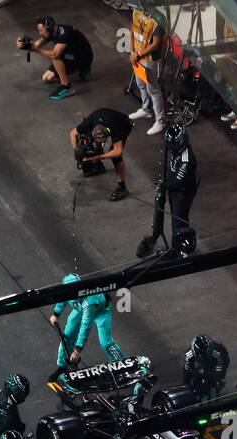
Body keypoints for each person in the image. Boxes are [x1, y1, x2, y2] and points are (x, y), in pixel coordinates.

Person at [51, 272, 124, 373]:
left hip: (100, 312)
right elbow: (62, 299)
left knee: (105, 342)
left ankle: (122, 363)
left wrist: (77, 350)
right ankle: (63, 366)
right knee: (68, 335)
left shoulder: (89, 301)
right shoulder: (67, 292)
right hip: (80, 309)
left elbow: (85, 327)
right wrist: (56, 314)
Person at [16, 17, 94, 100]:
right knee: (47, 77)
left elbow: (54, 55)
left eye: (42, 30)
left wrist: (37, 50)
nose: (40, 33)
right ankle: (73, 69)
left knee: (55, 57)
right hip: (70, 54)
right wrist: (25, 45)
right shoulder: (53, 31)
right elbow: (37, 44)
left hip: (83, 57)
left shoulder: (65, 33)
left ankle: (67, 87)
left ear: (48, 27)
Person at [71, 109, 135, 201]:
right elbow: (73, 134)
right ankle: (97, 167)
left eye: (103, 142)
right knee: (86, 141)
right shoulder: (90, 122)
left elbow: (118, 151)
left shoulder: (114, 129)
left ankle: (122, 188)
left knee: (116, 157)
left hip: (123, 124)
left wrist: (97, 157)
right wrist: (76, 151)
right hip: (102, 117)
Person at [128, 4, 166, 136]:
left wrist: (138, 55)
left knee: (152, 89)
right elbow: (132, 30)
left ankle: (160, 122)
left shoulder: (159, 18)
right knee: (140, 84)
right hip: (137, 56)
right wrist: (133, 51)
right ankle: (146, 109)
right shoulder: (138, 10)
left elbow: (155, 44)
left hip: (149, 59)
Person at [162, 123, 200, 256]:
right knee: (175, 218)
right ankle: (175, 246)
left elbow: (178, 181)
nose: (171, 148)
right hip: (175, 189)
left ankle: (184, 251)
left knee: (180, 219)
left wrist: (164, 185)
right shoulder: (176, 150)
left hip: (183, 192)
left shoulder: (187, 160)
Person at [182, 334, 229, 401]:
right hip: (204, 364)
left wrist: (213, 379)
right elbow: (187, 373)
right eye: (199, 354)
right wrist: (186, 390)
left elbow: (219, 372)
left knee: (212, 383)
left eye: (204, 354)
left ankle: (214, 398)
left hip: (215, 362)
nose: (201, 356)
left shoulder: (218, 353)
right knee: (194, 378)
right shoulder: (189, 355)